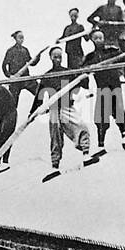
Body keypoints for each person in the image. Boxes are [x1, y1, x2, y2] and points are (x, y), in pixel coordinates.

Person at [37, 45, 93, 176]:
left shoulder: (67, 72)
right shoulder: (47, 76)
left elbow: (81, 82)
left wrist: (86, 75)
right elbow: (39, 95)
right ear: (50, 58)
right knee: (55, 138)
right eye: (55, 57)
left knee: (81, 127)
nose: (58, 59)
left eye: (60, 57)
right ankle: (54, 167)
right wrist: (33, 112)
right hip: (54, 109)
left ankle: (86, 156)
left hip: (67, 106)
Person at [81, 29, 125, 150]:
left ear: (104, 39)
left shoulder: (112, 51)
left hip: (115, 85)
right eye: (96, 38)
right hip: (102, 87)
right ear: (92, 40)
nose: (99, 40)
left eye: (101, 38)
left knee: (119, 111)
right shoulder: (90, 57)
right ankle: (101, 146)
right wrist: (89, 68)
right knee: (101, 115)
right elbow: (83, 71)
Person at [1, 30, 39, 106]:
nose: (21, 39)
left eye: (22, 38)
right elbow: (4, 65)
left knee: (40, 92)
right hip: (15, 80)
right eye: (20, 38)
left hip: (26, 78)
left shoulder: (25, 50)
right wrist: (10, 76)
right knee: (12, 103)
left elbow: (31, 63)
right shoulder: (10, 51)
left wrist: (37, 58)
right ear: (15, 39)